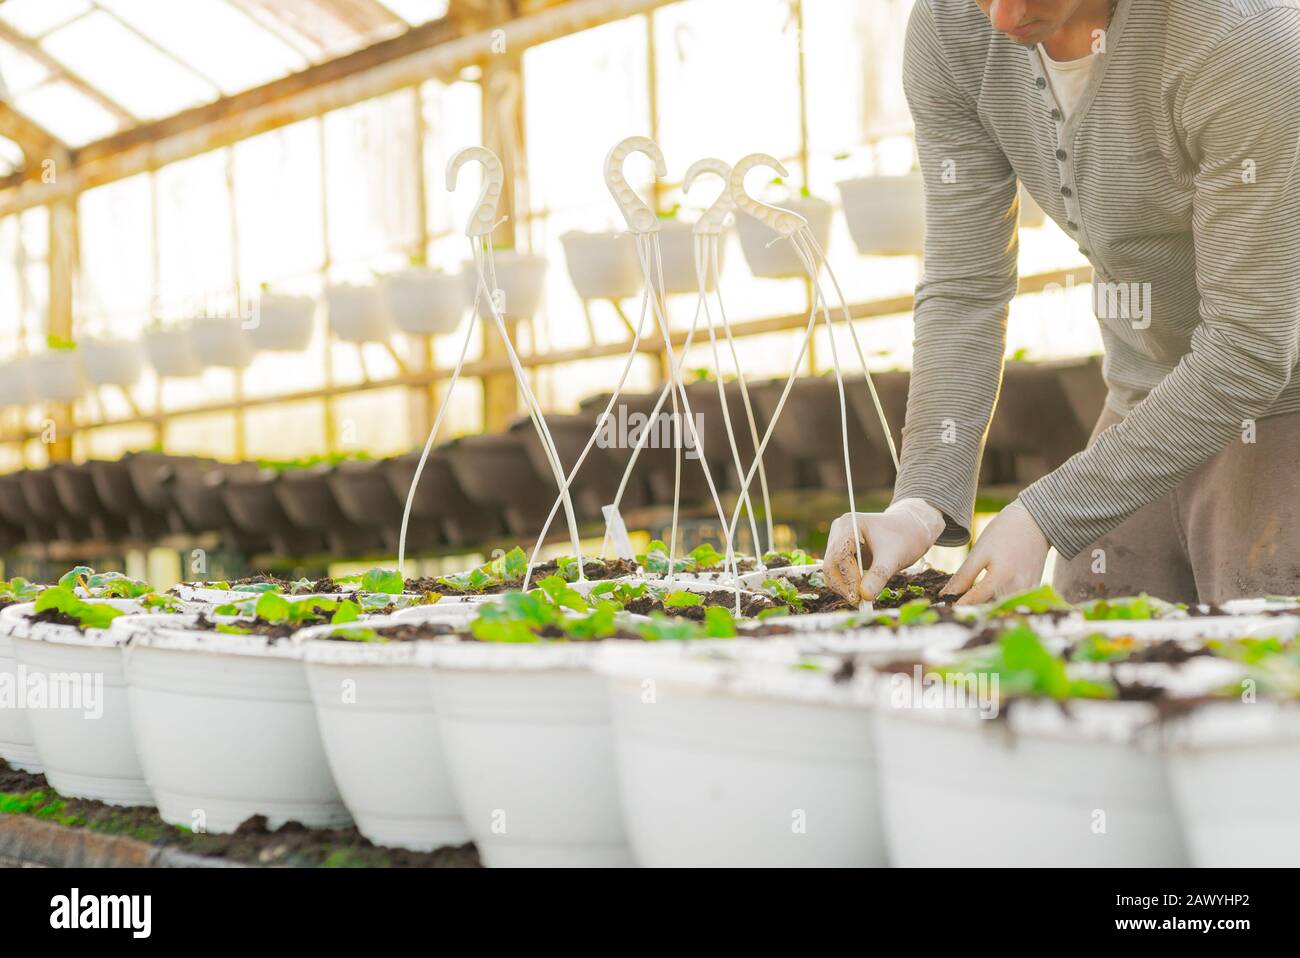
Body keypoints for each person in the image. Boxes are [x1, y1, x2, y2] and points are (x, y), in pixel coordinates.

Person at [824, 0, 1300, 607]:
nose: (1001, 18)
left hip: (1285, 397)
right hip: (1141, 398)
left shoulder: (1241, 39)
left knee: (1259, 664)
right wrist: (919, 506)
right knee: (1088, 633)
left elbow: (1251, 345)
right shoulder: (952, 26)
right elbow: (965, 285)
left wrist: (1044, 517)